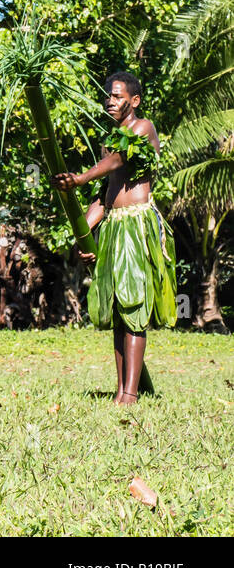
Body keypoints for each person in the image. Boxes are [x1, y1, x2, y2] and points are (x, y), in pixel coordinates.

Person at [54, 71, 177, 404]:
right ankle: (121, 389)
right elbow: (103, 196)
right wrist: (84, 234)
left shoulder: (142, 128)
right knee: (118, 312)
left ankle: (131, 394)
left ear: (134, 101)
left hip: (137, 226)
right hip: (114, 227)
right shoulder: (110, 139)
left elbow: (119, 160)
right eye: (108, 95)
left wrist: (79, 177)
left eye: (118, 96)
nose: (110, 101)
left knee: (133, 306)